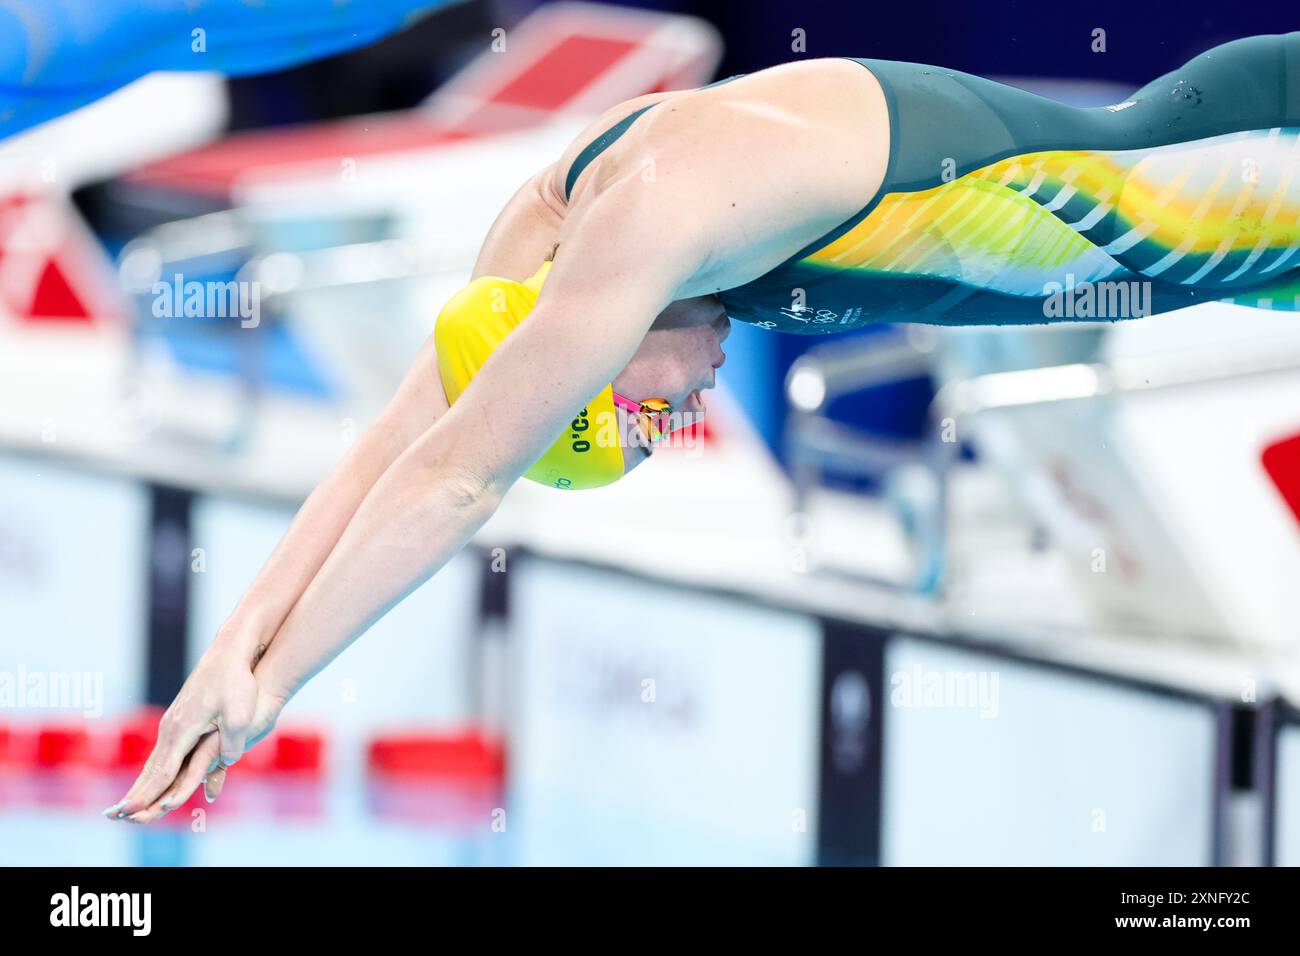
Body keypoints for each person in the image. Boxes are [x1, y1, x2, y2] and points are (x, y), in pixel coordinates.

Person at [106, 33, 1300, 822]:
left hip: (1242, 174)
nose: (693, 399)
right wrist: (236, 660)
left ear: (590, 352)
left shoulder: (647, 229)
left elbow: (459, 482)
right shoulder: (538, 244)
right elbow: (393, 446)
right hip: (1227, 246)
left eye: (656, 408)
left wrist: (285, 678)